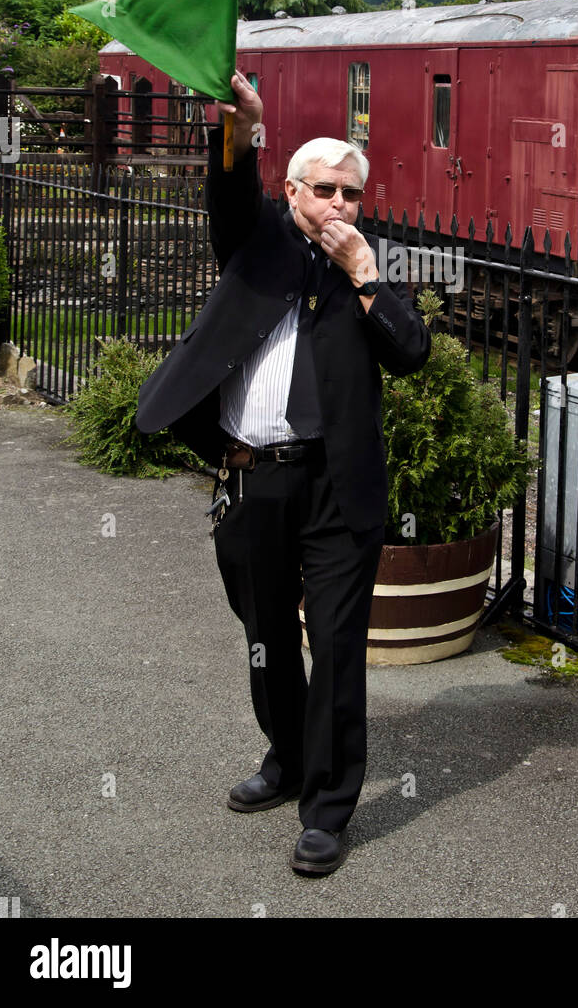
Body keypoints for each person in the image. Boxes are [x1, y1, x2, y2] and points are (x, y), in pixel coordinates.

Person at [136, 71, 430, 875]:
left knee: (335, 645)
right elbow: (231, 192)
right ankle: (286, 758)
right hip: (251, 480)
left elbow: (410, 354)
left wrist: (366, 275)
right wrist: (247, 128)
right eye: (325, 190)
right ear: (295, 191)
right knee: (266, 635)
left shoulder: (367, 274)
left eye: (353, 194)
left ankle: (327, 809)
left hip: (338, 489)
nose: (340, 205)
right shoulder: (258, 242)